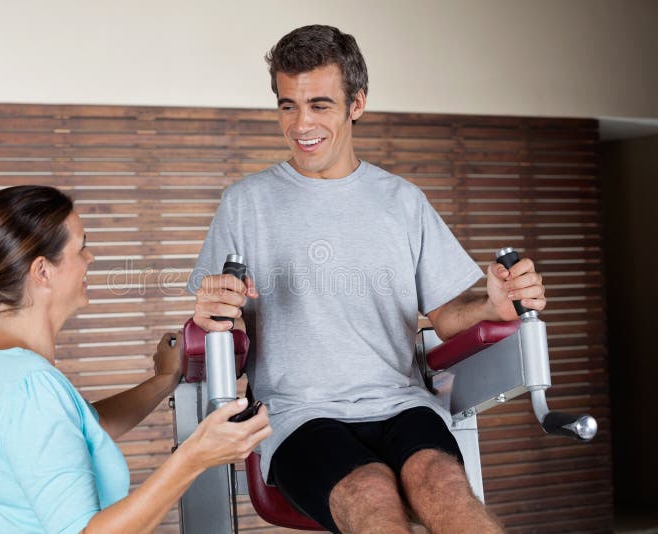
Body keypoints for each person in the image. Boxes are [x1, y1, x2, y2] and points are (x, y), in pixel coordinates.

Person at [188, 25, 546, 534]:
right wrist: (212, 312)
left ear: (357, 103)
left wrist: (494, 306)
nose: (300, 123)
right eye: (287, 105)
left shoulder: (402, 201)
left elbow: (447, 318)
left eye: (319, 104)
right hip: (299, 412)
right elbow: (216, 317)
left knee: (442, 483)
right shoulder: (245, 203)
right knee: (371, 491)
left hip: (400, 402)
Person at [0, 185, 271, 533]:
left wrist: (164, 379)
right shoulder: (29, 388)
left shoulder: (2, 367)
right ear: (42, 271)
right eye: (81, 248)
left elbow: (86, 428)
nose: (91, 258)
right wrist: (195, 456)